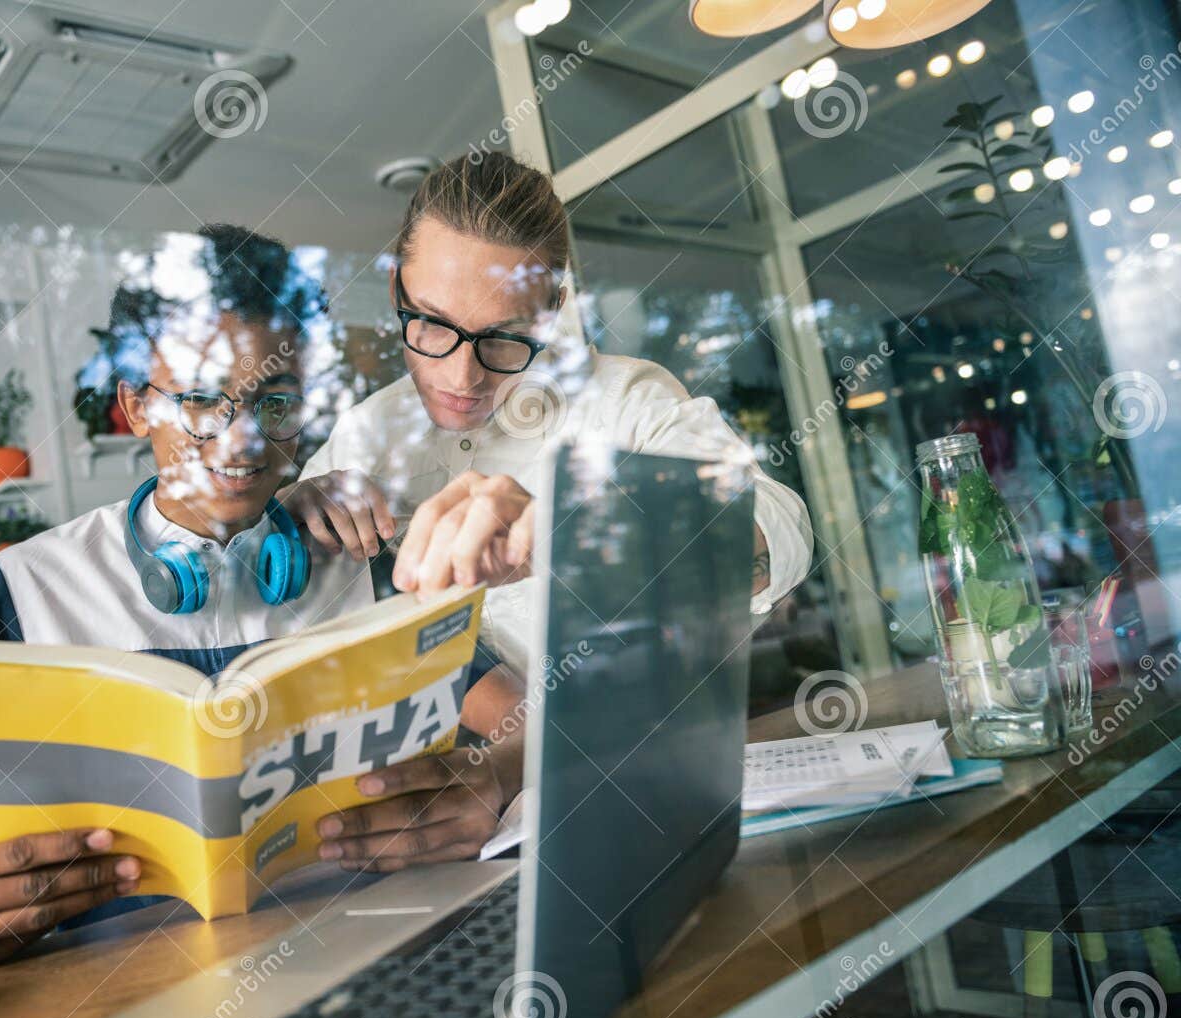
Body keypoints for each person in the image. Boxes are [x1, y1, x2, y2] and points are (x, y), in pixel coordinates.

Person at [0, 225, 523, 975]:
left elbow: (532, 716)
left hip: (368, 963)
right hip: (118, 989)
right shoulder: (23, 589)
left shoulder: (361, 561)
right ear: (133, 404)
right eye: (200, 401)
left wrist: (496, 777)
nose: (243, 443)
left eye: (275, 404)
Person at [278, 152, 813, 664]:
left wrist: (574, 534)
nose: (463, 376)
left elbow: (774, 525)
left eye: (505, 336)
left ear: (552, 312)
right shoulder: (365, 432)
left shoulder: (623, 400)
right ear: (397, 286)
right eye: (434, 324)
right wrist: (289, 507)